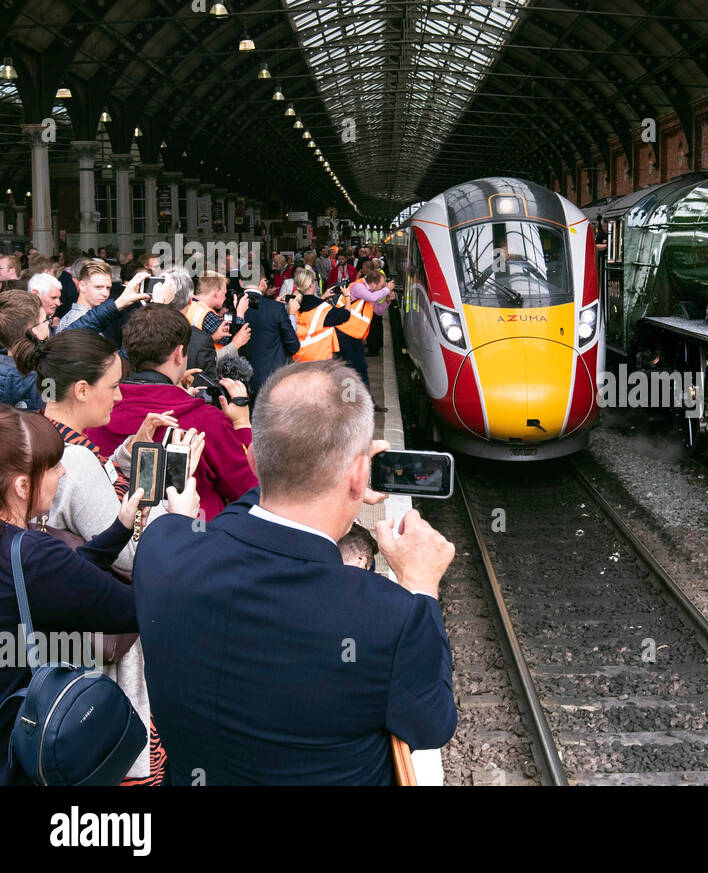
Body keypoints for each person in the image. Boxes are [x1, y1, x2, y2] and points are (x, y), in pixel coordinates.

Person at [132, 359, 457, 784]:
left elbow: (244, 512)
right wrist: (421, 586)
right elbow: (432, 725)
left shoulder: (162, 550)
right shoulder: (394, 619)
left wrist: (331, 475)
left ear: (253, 456)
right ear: (360, 476)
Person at [12, 329, 204, 785]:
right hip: (106, 659)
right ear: (81, 390)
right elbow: (135, 556)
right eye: (113, 386)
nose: (119, 397)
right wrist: (174, 506)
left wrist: (123, 456)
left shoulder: (41, 435)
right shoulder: (74, 461)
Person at [85, 305, 256, 523]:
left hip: (110, 529)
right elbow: (248, 491)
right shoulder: (207, 420)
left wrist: (175, 390)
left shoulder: (97, 412)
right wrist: (242, 425)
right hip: (192, 537)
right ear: (178, 354)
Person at [239, 272, 300, 397]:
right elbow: (293, 345)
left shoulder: (232, 306)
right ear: (263, 282)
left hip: (240, 382)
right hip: (271, 377)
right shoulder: (276, 308)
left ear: (241, 282)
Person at [0, 290, 47, 410]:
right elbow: (49, 411)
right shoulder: (46, 374)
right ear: (33, 331)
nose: (48, 325)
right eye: (45, 321)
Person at [291, 267, 349, 362]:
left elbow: (311, 310)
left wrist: (323, 297)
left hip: (299, 356)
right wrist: (347, 296)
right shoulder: (323, 309)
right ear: (311, 285)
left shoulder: (294, 304)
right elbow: (345, 315)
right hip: (319, 357)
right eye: (315, 280)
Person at [57, 259, 114, 333]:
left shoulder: (83, 317)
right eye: (98, 287)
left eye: (108, 288)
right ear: (82, 286)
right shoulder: (77, 320)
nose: (105, 293)